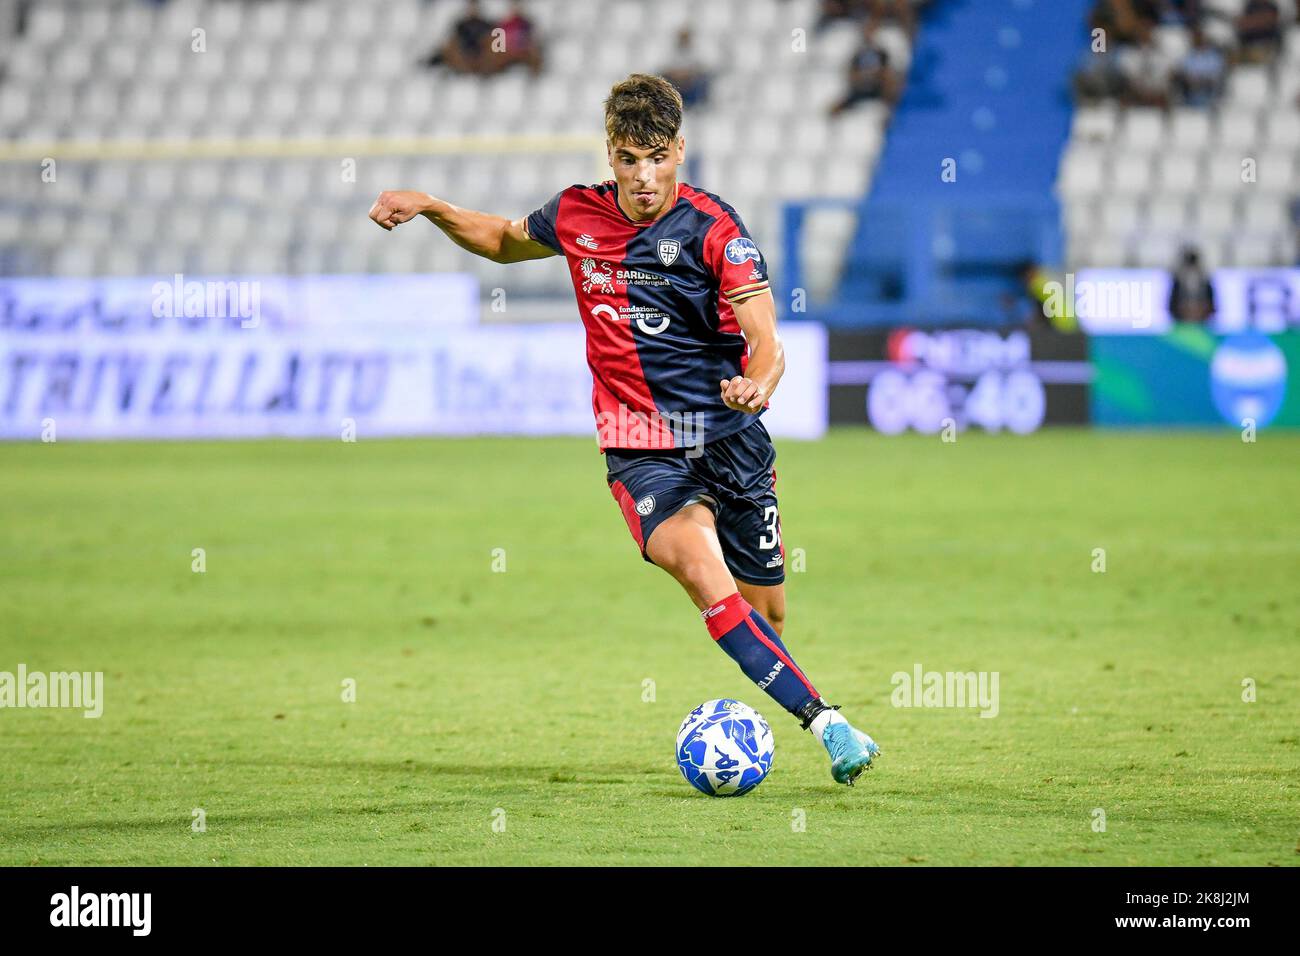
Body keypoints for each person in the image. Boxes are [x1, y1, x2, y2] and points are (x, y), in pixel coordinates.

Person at [368, 74, 882, 786]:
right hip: (640, 449)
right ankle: (828, 724)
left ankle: (765, 698)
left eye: (658, 157)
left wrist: (755, 386)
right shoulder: (577, 214)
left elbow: (768, 342)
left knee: (767, 614)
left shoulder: (716, 231)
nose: (644, 177)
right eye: (627, 158)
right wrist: (429, 205)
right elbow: (502, 240)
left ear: (680, 150)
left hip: (731, 443)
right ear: (610, 155)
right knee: (704, 578)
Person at [829, 20, 901, 115]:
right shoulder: (858, 53)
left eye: (871, 32)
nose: (868, 35)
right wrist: (863, 77)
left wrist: (876, 75)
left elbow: (886, 71)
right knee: (835, 108)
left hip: (878, 88)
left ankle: (892, 114)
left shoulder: (881, 52)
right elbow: (851, 73)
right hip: (860, 89)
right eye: (866, 31)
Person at [424, 0, 494, 75]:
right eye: (471, 7)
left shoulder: (486, 26)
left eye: (474, 7)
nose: (473, 10)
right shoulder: (461, 26)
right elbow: (449, 48)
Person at [660, 28, 710, 109]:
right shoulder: (670, 51)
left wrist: (687, 74)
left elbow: (700, 68)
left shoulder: (696, 51)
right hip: (675, 82)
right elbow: (666, 68)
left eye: (685, 38)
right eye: (682, 37)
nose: (684, 40)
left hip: (690, 83)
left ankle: (698, 106)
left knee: (703, 80)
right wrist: (679, 75)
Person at [1168, 246, 1215, 323]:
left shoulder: (1206, 283)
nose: (1191, 270)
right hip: (1182, 324)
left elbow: (1212, 307)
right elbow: (1171, 307)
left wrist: (1201, 311)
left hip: (1202, 325)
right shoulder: (1177, 283)